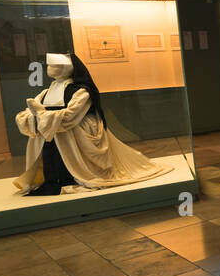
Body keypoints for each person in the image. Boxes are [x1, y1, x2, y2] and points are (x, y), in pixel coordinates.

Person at [14, 52, 170, 195]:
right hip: (51, 136)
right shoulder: (46, 92)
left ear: (66, 69)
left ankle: (72, 176)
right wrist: (35, 116)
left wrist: (41, 115)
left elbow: (70, 117)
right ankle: (53, 178)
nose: (49, 68)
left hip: (75, 133)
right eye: (49, 65)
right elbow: (28, 113)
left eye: (54, 65)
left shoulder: (82, 91)